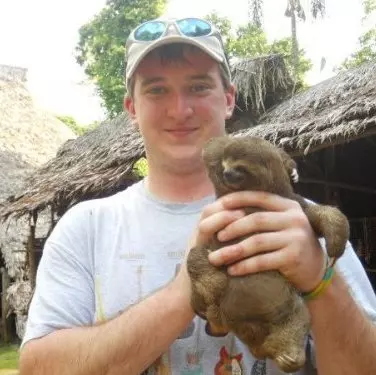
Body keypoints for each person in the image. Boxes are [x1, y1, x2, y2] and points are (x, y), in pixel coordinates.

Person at [19, 17, 376, 375]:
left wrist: (321, 281)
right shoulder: (86, 228)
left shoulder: (297, 223)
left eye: (199, 87)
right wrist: (185, 290)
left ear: (228, 99)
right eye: (157, 90)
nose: (180, 110)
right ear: (131, 108)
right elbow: (39, 369)